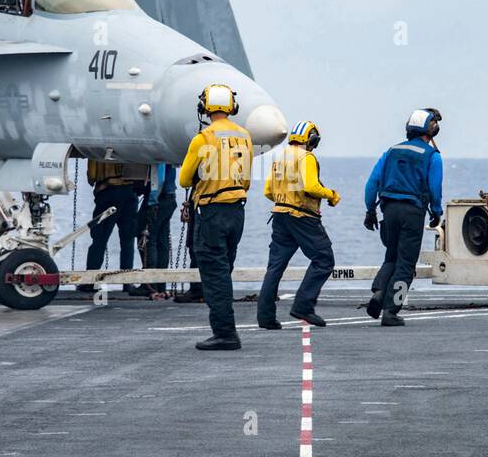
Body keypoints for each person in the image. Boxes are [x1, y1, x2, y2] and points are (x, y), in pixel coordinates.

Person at [178, 83, 252, 350]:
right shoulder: (244, 136)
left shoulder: (203, 138)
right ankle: (225, 329)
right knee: (225, 270)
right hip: (237, 212)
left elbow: (185, 178)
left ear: (204, 107)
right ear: (232, 106)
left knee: (215, 275)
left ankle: (225, 334)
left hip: (212, 213)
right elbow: (245, 180)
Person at [363, 108, 444, 326]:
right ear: (432, 130)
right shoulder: (432, 156)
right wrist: (436, 213)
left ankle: (378, 292)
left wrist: (370, 210)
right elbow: (435, 189)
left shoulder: (390, 151)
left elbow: (372, 183)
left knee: (391, 256)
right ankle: (391, 311)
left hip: (388, 211)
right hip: (412, 212)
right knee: (406, 264)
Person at [258, 121, 340, 329]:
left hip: (279, 215)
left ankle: (265, 317)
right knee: (324, 259)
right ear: (311, 139)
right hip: (302, 217)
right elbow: (311, 186)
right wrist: (331, 194)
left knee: (275, 266)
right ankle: (304, 306)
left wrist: (284, 199)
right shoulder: (307, 157)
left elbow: (268, 190)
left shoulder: (281, 157)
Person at [77, 159, 146, 293]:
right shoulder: (126, 146)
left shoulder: (98, 148)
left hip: (106, 192)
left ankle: (91, 281)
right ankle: (127, 283)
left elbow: (91, 176)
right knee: (127, 240)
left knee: (99, 240)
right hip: (129, 192)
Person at [130, 162, 178, 298]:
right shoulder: (169, 150)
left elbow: (159, 176)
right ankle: (160, 284)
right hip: (169, 198)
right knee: (161, 242)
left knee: (146, 238)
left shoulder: (159, 152)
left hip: (158, 200)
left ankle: (149, 284)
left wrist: (152, 201)